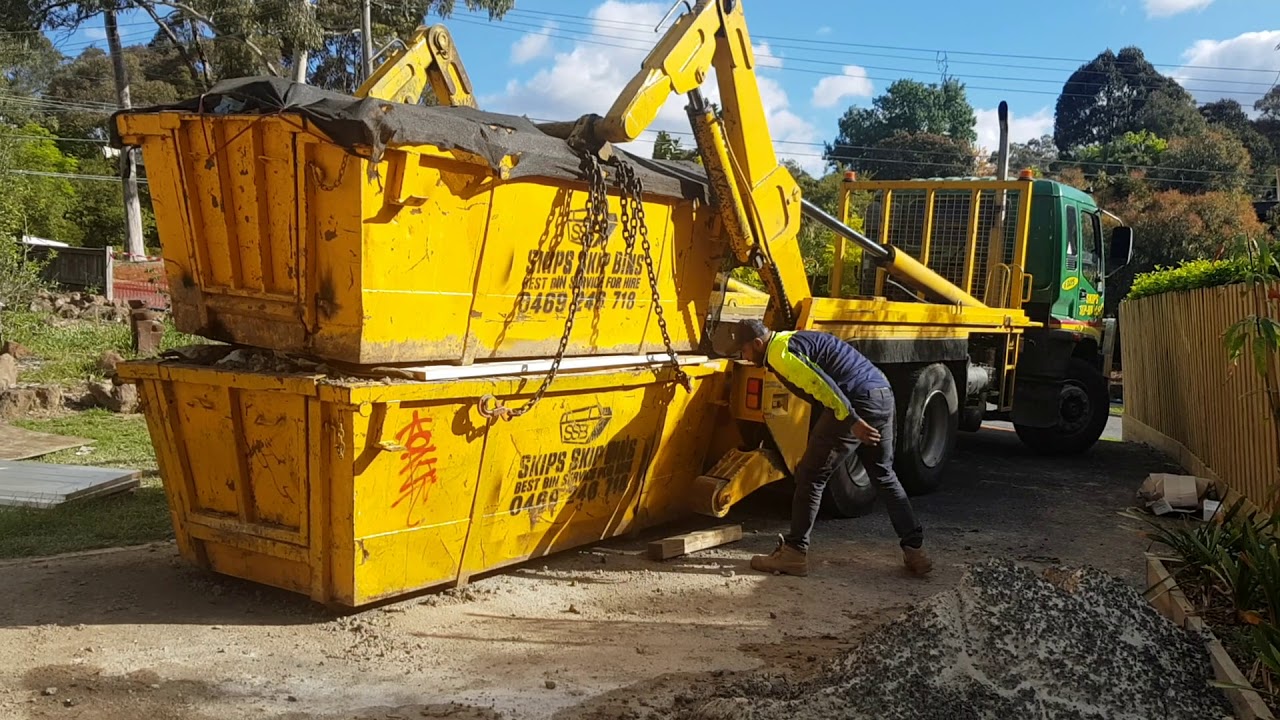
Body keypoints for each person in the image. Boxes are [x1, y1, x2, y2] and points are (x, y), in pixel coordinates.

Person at [728, 318, 932, 577]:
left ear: (758, 343)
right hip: (882, 393)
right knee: (883, 472)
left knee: (810, 476)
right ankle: (915, 549)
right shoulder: (793, 338)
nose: (743, 356)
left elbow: (821, 384)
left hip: (853, 402)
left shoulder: (780, 353)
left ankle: (793, 553)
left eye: (744, 350)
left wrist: (851, 419)